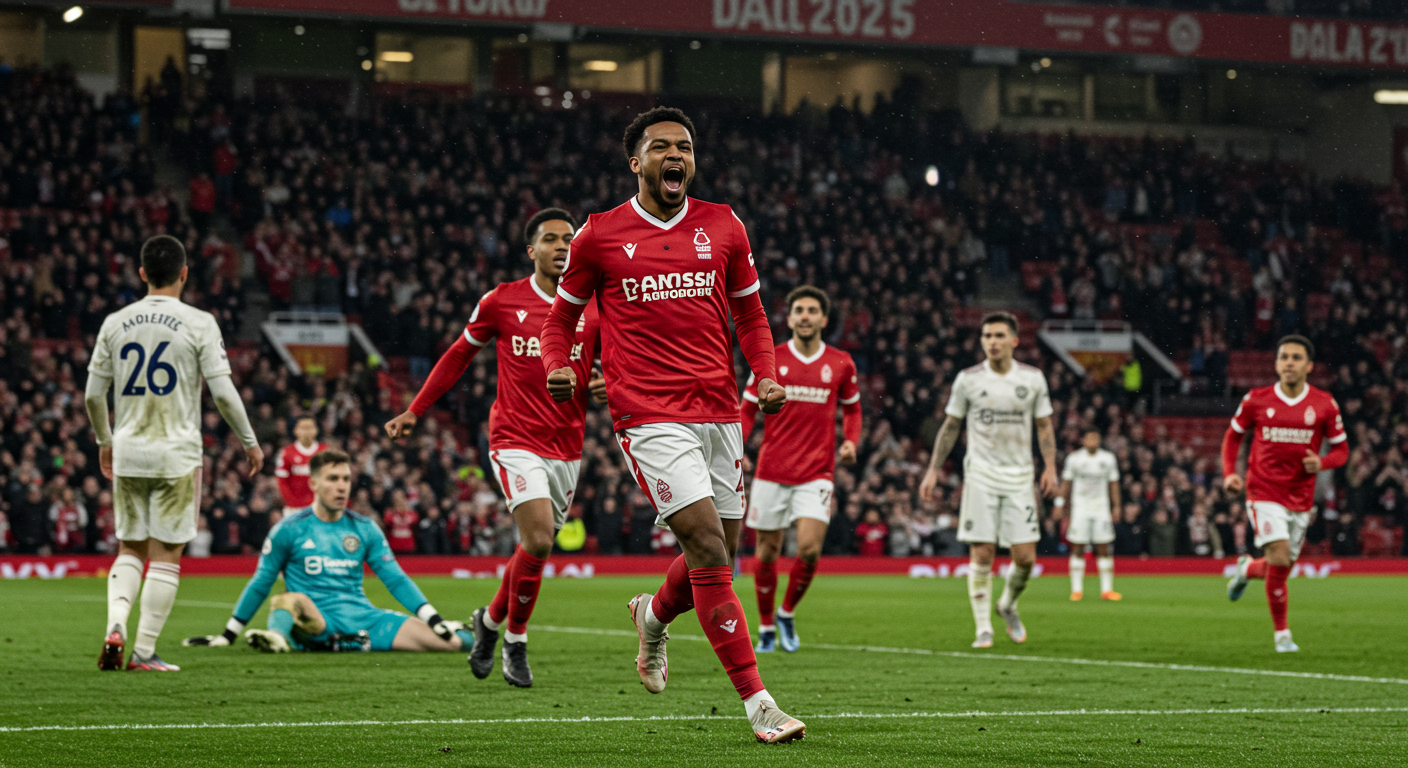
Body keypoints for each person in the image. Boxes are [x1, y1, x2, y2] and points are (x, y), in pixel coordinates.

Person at [539, 107, 804, 743]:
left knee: (719, 554)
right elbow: (560, 322)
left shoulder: (724, 223)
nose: (674, 155)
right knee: (710, 547)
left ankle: (651, 617)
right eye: (660, 147)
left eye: (684, 146)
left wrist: (764, 375)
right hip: (648, 413)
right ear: (636, 163)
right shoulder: (598, 235)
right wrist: (557, 366)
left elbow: (753, 317)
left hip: (718, 410)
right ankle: (759, 703)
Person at [386, 208, 602, 688]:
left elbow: (615, 366)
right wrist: (415, 410)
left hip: (567, 445)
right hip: (514, 439)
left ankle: (487, 621)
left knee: (533, 548)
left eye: (569, 238)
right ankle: (516, 641)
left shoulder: (594, 306)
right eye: (551, 239)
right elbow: (459, 354)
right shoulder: (502, 301)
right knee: (541, 539)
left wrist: (609, 384)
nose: (562, 245)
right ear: (532, 251)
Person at [85, 234, 263, 672]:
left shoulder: (115, 322)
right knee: (166, 554)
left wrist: (105, 441)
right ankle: (143, 652)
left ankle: (115, 625)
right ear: (184, 273)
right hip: (177, 453)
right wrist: (248, 440)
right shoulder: (200, 322)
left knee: (130, 547)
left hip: (128, 450)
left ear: (142, 273)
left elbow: (92, 395)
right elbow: (222, 392)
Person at [183, 449, 471, 653]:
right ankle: (277, 637)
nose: (341, 486)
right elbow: (262, 582)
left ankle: (343, 641)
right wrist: (227, 635)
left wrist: (435, 619)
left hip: (363, 618)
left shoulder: (364, 528)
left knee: (457, 643)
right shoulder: (289, 529)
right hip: (316, 618)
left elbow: (395, 579)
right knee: (289, 599)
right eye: (333, 479)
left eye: (346, 479)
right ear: (314, 484)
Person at [919, 312, 1057, 648]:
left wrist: (1050, 466)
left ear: (1014, 340)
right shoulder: (968, 379)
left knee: (1025, 557)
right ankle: (983, 628)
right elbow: (951, 426)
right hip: (980, 474)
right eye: (986, 336)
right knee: (983, 552)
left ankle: (1007, 604)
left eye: (998, 335)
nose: (992, 342)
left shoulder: (1033, 379)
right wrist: (933, 469)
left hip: (1020, 476)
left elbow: (1043, 426)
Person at [740, 285, 861, 653]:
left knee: (808, 550)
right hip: (772, 471)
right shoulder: (770, 361)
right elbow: (745, 409)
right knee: (766, 555)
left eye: (812, 311)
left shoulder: (841, 363)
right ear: (789, 318)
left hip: (817, 472)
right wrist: (739, 447)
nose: (805, 316)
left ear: (823, 319)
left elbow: (853, 410)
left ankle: (787, 612)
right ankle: (765, 628)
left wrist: (851, 441)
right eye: (799, 311)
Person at [1222, 335, 1348, 652]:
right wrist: (1230, 474)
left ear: (1309, 365)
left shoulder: (1324, 404)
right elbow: (1232, 437)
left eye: (1295, 357)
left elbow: (1342, 451)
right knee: (1278, 557)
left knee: (1280, 567)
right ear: (1276, 364)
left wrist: (1321, 462)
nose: (1289, 363)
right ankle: (1282, 636)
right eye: (1283, 357)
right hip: (1263, 490)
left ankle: (1247, 569)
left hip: (1300, 498)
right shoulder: (1256, 399)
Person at [1058, 429, 1122, 601]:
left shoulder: (1107, 459)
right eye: (1090, 437)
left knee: (1104, 547)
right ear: (1083, 440)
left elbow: (1114, 484)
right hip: (1080, 508)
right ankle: (1076, 590)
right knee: (1078, 546)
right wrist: (1059, 504)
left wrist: (1116, 506)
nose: (1093, 440)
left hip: (1101, 508)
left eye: (1096, 437)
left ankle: (1107, 590)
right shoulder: (1074, 459)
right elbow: (1066, 483)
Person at [275, 416, 326, 514]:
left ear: (316, 430)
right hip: (294, 508)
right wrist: (292, 503)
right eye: (303, 428)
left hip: (319, 507)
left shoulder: (325, 452)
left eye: (310, 427)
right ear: (296, 431)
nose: (307, 431)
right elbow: (282, 482)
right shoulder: (286, 453)